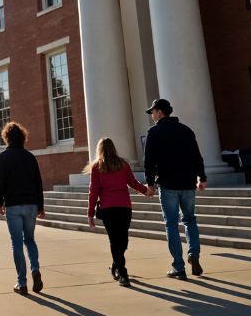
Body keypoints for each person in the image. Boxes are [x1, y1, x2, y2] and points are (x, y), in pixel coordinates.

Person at [142, 98, 207, 280]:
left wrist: (150, 184)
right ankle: (193, 254)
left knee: (171, 223)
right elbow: (197, 156)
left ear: (160, 112)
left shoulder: (154, 133)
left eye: (153, 112)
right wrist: (202, 178)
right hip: (187, 184)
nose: (152, 116)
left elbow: (149, 162)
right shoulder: (186, 130)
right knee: (190, 220)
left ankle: (178, 266)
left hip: (168, 184)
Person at [86, 136, 151, 288]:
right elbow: (133, 183)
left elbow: (93, 192)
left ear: (99, 150)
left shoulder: (97, 167)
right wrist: (145, 190)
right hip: (124, 207)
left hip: (109, 209)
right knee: (121, 241)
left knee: (118, 241)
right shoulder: (123, 164)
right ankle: (123, 272)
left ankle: (117, 265)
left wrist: (90, 214)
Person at [0, 121, 45, 295]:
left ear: (6, 137)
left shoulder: (2, 158)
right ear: (23, 137)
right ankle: (35, 269)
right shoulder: (30, 157)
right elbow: (39, 182)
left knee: (16, 242)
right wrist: (41, 206)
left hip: (13, 205)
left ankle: (22, 283)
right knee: (30, 240)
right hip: (31, 204)